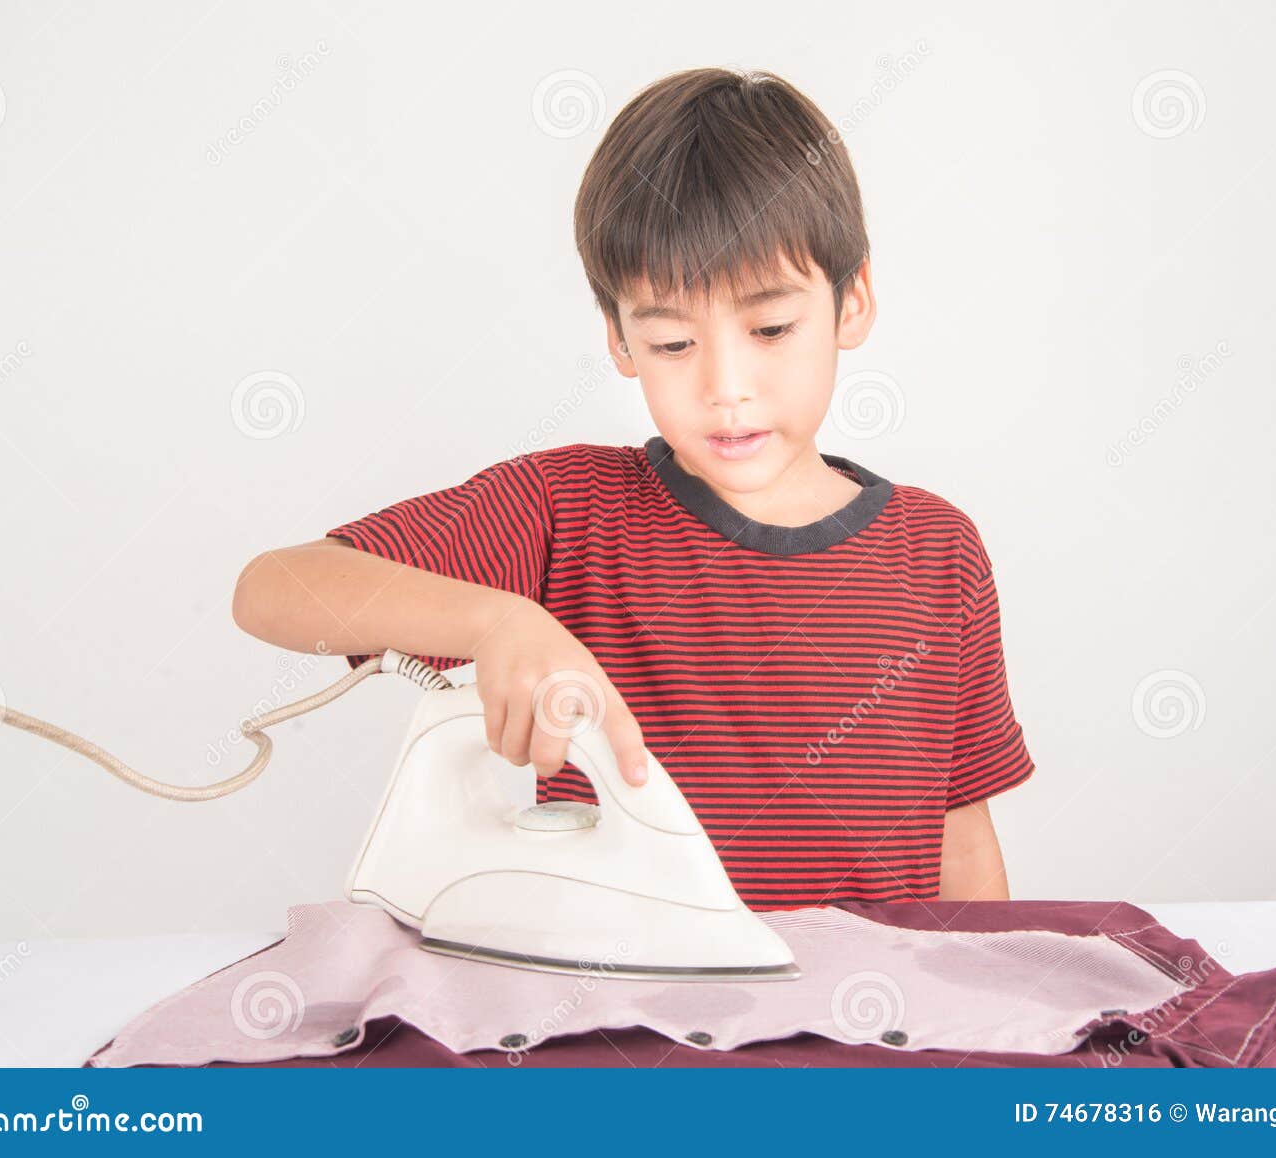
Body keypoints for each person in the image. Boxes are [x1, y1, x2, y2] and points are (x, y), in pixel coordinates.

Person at [232, 67, 1035, 908]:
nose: (727, 387)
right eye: (672, 344)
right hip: (628, 1021)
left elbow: (961, 838)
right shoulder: (568, 511)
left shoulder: (938, 553)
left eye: (769, 329)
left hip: (868, 1029)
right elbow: (273, 590)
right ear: (618, 338)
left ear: (852, 302)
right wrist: (501, 621)